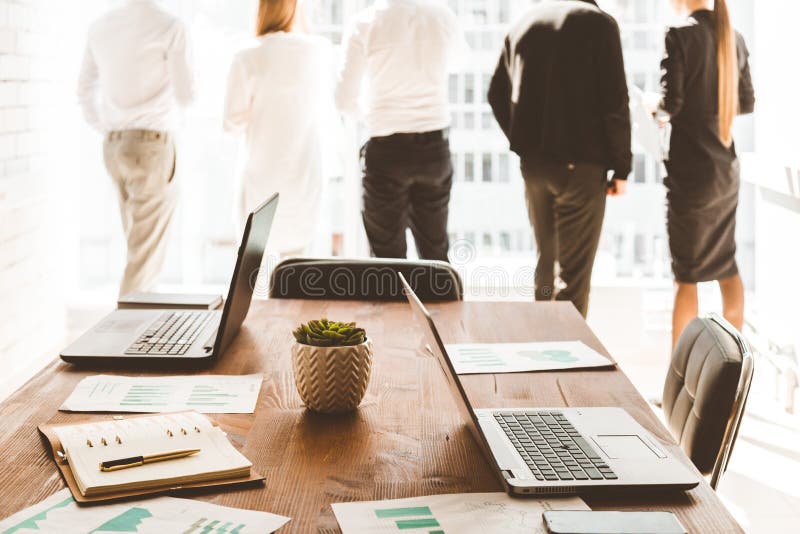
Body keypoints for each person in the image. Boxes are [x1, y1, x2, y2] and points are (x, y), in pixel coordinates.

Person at [488, 0, 631, 318]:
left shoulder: (524, 22)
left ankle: (541, 346)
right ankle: (568, 360)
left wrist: (522, 140)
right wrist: (622, 167)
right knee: (574, 278)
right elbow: (615, 102)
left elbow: (495, 93)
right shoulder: (600, 23)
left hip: (535, 166)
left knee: (546, 263)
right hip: (582, 166)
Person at [77, 0, 195, 297]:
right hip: (152, 145)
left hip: (115, 145)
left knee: (137, 245)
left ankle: (138, 330)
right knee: (144, 257)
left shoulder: (100, 26)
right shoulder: (170, 26)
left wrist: (107, 127)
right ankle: (126, 337)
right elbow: (186, 95)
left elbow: (83, 90)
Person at [335, 0, 462, 262]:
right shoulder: (442, 15)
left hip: (387, 149)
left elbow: (344, 100)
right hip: (434, 146)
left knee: (388, 261)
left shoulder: (364, 23)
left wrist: (375, 114)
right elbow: (459, 62)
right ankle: (440, 301)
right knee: (436, 253)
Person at [660, 0, 755, 347]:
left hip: (691, 175)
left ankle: (678, 380)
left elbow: (672, 104)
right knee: (726, 268)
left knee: (686, 275)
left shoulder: (679, 35)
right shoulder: (735, 36)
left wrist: (651, 107)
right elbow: (746, 101)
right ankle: (734, 369)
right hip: (725, 173)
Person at [224, 0, 334, 257]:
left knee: (254, 272)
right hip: (304, 176)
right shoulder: (317, 51)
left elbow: (231, 124)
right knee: (295, 273)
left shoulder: (246, 55)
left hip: (260, 178)